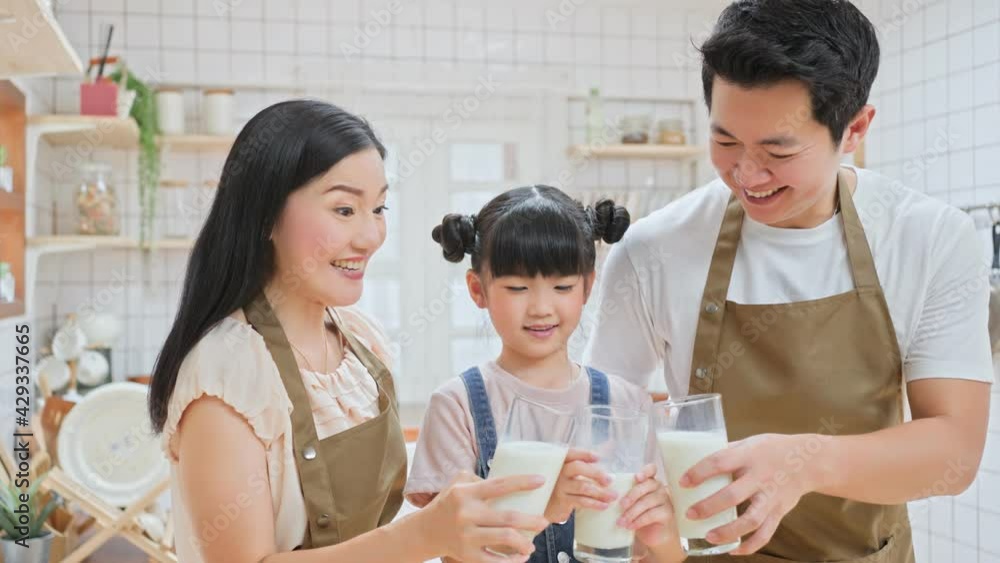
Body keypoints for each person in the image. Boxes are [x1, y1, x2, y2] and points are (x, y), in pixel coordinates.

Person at [584, 1, 993, 562]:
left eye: (779, 151)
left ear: (854, 129)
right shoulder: (653, 251)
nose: (747, 176)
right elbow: (602, 429)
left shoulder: (929, 240)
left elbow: (955, 454)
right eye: (726, 143)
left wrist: (803, 462)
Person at [148, 100, 555, 563]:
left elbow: (369, 538)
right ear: (265, 216)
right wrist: (423, 535)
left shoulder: (361, 343)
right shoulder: (228, 373)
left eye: (378, 208)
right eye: (344, 209)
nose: (370, 236)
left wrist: (502, 512)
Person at [405, 185, 685, 563]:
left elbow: (656, 554)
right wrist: (544, 508)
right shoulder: (457, 407)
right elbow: (456, 554)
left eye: (562, 287)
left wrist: (665, 539)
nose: (540, 307)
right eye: (518, 287)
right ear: (478, 289)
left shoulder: (628, 404)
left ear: (588, 286)